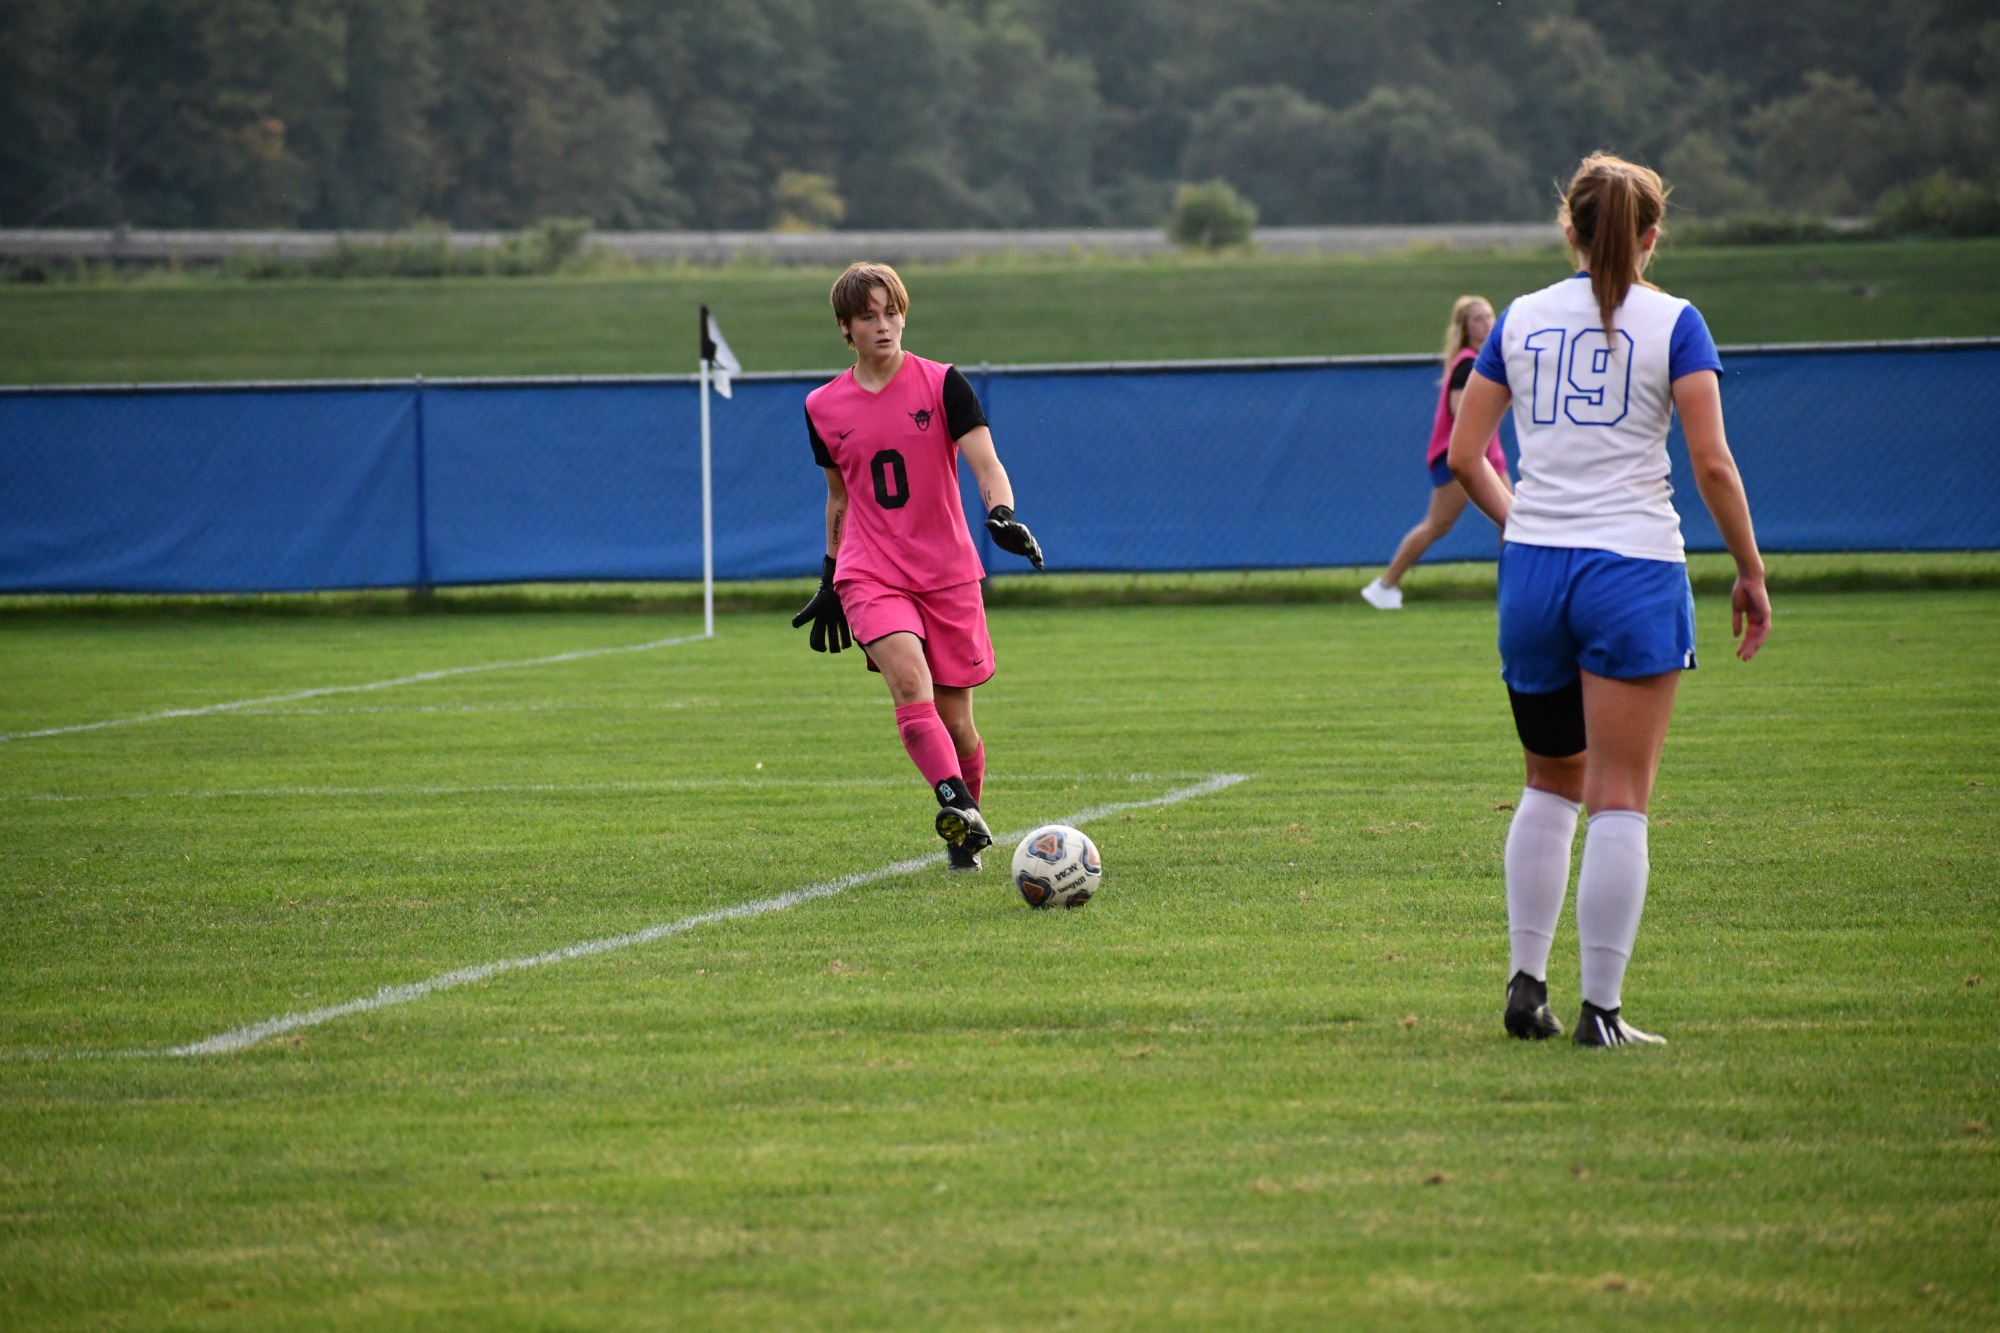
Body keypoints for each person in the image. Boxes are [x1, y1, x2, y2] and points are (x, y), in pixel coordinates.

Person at [1447, 153, 1771, 1047]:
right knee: (1620, 795)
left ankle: (1524, 986)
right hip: (1631, 569)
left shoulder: (1519, 318)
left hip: (1536, 573)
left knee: (1549, 785)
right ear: (1653, 235)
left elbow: (1468, 455)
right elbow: (1711, 464)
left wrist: (1523, 526)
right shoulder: (1677, 322)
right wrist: (1750, 568)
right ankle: (1602, 1013)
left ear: (1570, 228)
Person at [791, 262, 1045, 871]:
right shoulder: (822, 406)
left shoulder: (943, 384)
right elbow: (840, 496)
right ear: (845, 329)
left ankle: (966, 831)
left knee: (958, 727)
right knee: (909, 684)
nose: (884, 325)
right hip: (870, 571)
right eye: (868, 316)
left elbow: (986, 464)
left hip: (948, 571)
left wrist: (1003, 514)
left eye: (892, 311)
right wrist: (831, 575)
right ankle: (952, 799)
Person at [1360, 296, 1515, 610]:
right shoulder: (1469, 364)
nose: (1487, 323)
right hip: (1463, 455)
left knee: (1512, 521)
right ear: (1464, 327)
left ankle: (1514, 590)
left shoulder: (1481, 360)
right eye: (1478, 319)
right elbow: (1464, 415)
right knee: (1439, 524)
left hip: (1488, 454)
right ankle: (1385, 584)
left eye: (1489, 316)